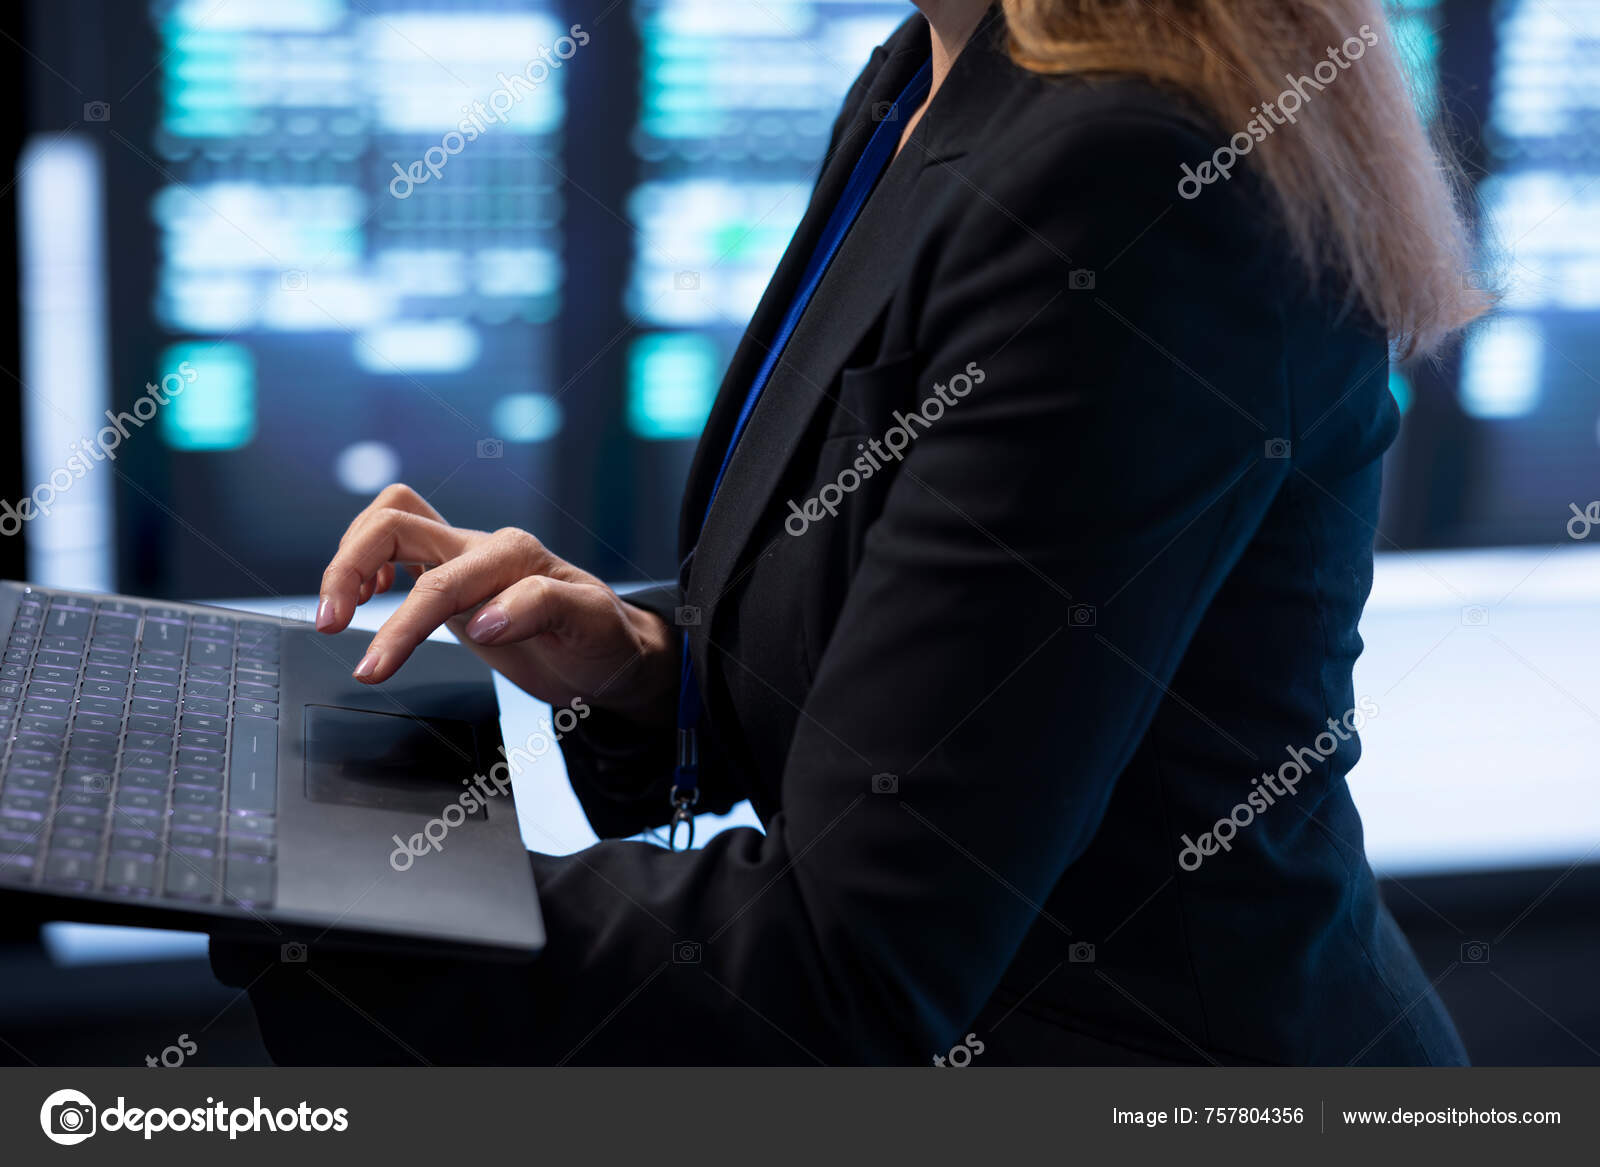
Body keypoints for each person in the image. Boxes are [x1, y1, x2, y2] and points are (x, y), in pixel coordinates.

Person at [218, 0, 1490, 1064]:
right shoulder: (928, 74)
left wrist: (315, 873)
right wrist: (646, 663)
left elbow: (853, 964)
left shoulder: (1123, 174)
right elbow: (949, 664)